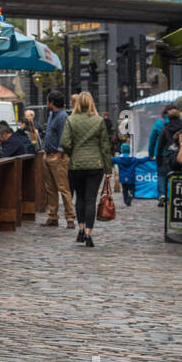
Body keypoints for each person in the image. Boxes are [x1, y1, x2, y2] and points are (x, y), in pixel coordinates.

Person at [62, 91, 111, 248]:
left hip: (76, 165)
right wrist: (108, 168)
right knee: (91, 199)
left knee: (80, 198)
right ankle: (89, 233)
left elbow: (65, 142)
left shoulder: (70, 120)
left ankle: (81, 229)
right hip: (95, 165)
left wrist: (73, 153)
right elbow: (105, 147)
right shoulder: (99, 121)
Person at [38, 89, 76, 228]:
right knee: (50, 189)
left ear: (52, 102)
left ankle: (70, 218)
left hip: (57, 157)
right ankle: (53, 216)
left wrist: (60, 152)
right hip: (48, 155)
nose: (46, 103)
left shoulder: (62, 116)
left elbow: (64, 135)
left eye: (48, 101)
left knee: (63, 188)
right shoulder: (51, 114)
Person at [157, 97, 182, 205]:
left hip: (169, 155)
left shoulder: (165, 128)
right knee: (178, 176)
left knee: (163, 176)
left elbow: (160, 144)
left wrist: (158, 158)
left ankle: (162, 195)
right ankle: (177, 196)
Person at [148, 105, 171, 201]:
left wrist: (151, 153)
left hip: (160, 153)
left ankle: (162, 195)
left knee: (161, 175)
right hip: (173, 154)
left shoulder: (159, 123)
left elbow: (152, 139)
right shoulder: (178, 123)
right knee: (172, 175)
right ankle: (171, 195)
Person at [113, 141, 138, 206]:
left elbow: (111, 159)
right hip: (131, 177)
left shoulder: (118, 159)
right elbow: (142, 160)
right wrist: (150, 158)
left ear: (122, 150)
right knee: (132, 188)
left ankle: (126, 201)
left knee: (124, 190)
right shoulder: (134, 159)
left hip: (123, 177)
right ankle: (131, 194)